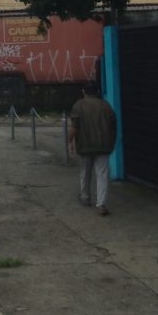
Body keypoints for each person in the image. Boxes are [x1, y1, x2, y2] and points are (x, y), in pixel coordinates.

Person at [68, 82, 117, 216]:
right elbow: (113, 127)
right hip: (103, 146)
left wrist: (69, 141)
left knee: (85, 172)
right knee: (102, 175)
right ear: (98, 92)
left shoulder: (79, 105)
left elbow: (74, 126)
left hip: (85, 145)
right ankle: (101, 204)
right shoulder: (106, 106)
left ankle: (85, 197)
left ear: (83, 91)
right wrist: (112, 143)